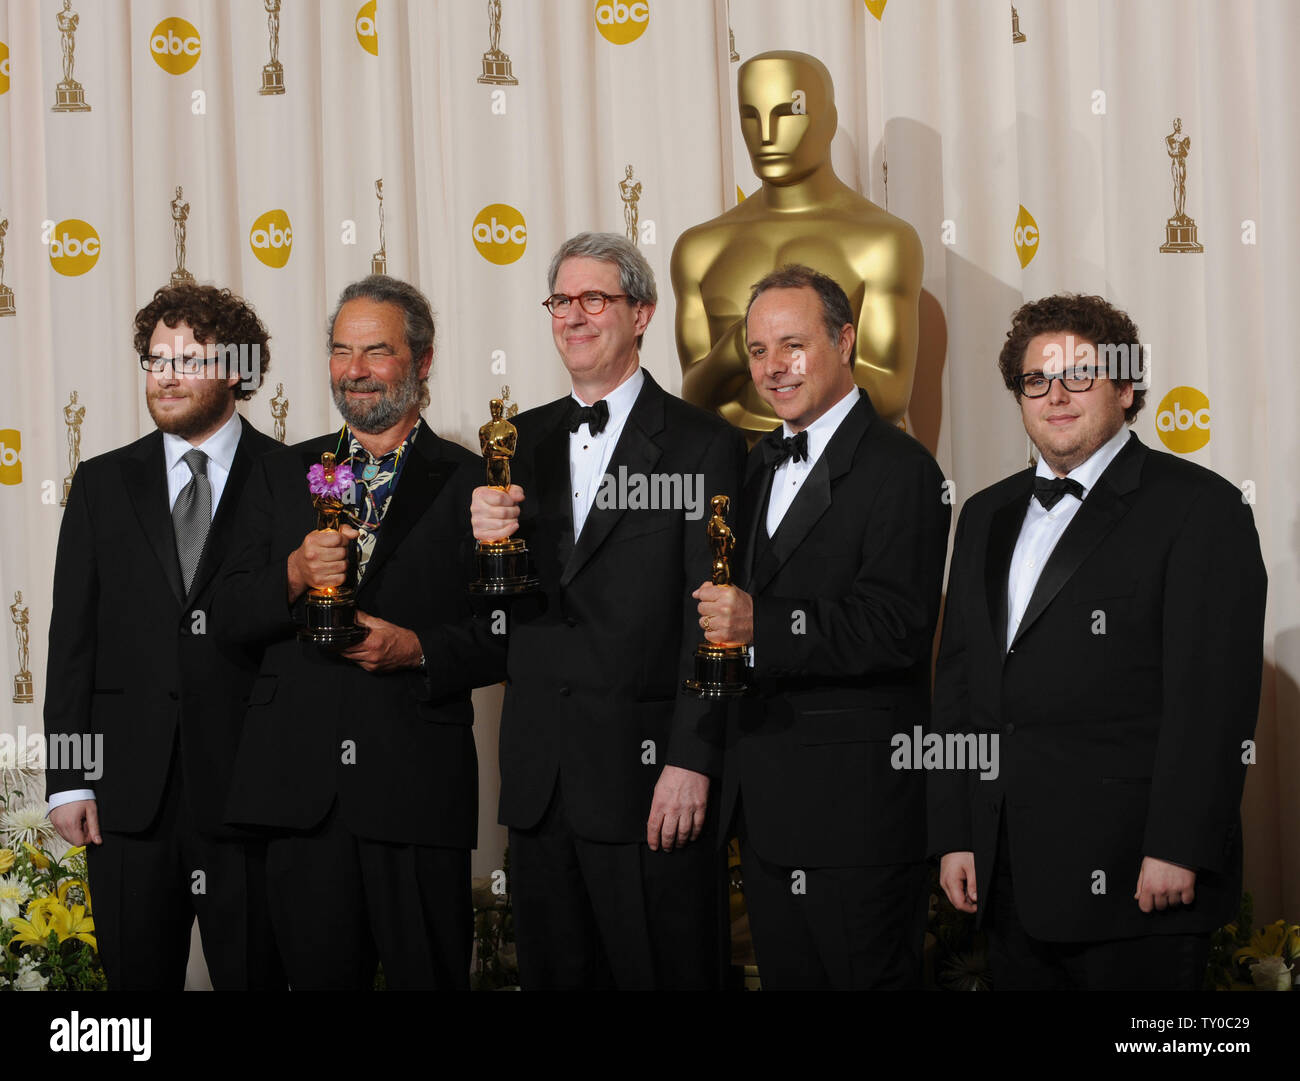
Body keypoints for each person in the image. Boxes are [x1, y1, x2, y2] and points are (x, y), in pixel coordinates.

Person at [929, 294, 1267, 990]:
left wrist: (1178, 847)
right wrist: (956, 831)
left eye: (1079, 375)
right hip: (1009, 877)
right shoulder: (985, 513)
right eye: (1035, 380)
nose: (1055, 395)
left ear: (1125, 386)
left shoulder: (1200, 508)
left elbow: (1211, 699)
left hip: (1139, 882)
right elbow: (960, 685)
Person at [471, 232, 747, 989]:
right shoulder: (514, 442)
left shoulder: (704, 444)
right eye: (562, 299)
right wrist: (483, 548)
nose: (574, 315)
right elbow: (499, 610)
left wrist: (693, 756)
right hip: (539, 784)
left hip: (650, 781)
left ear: (643, 312)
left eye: (596, 298)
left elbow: (713, 620)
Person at [213, 275, 503, 990]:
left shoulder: (476, 481)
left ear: (423, 361)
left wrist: (418, 648)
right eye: (342, 351)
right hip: (296, 794)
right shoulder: (279, 474)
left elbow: (508, 630)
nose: (356, 369)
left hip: (415, 792)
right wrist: (289, 573)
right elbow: (221, 616)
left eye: (377, 351)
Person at [697, 264, 950, 989]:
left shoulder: (903, 470)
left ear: (845, 340)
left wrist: (762, 624)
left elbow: (898, 626)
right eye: (756, 350)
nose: (772, 366)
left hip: (858, 817)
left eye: (792, 344)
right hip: (766, 808)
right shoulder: (749, 468)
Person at [44, 282, 282, 989]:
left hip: (252, 795)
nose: (166, 374)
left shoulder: (292, 478)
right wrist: (67, 779)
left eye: (187, 357)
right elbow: (71, 645)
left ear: (238, 368)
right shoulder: (100, 483)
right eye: (154, 358)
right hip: (125, 800)